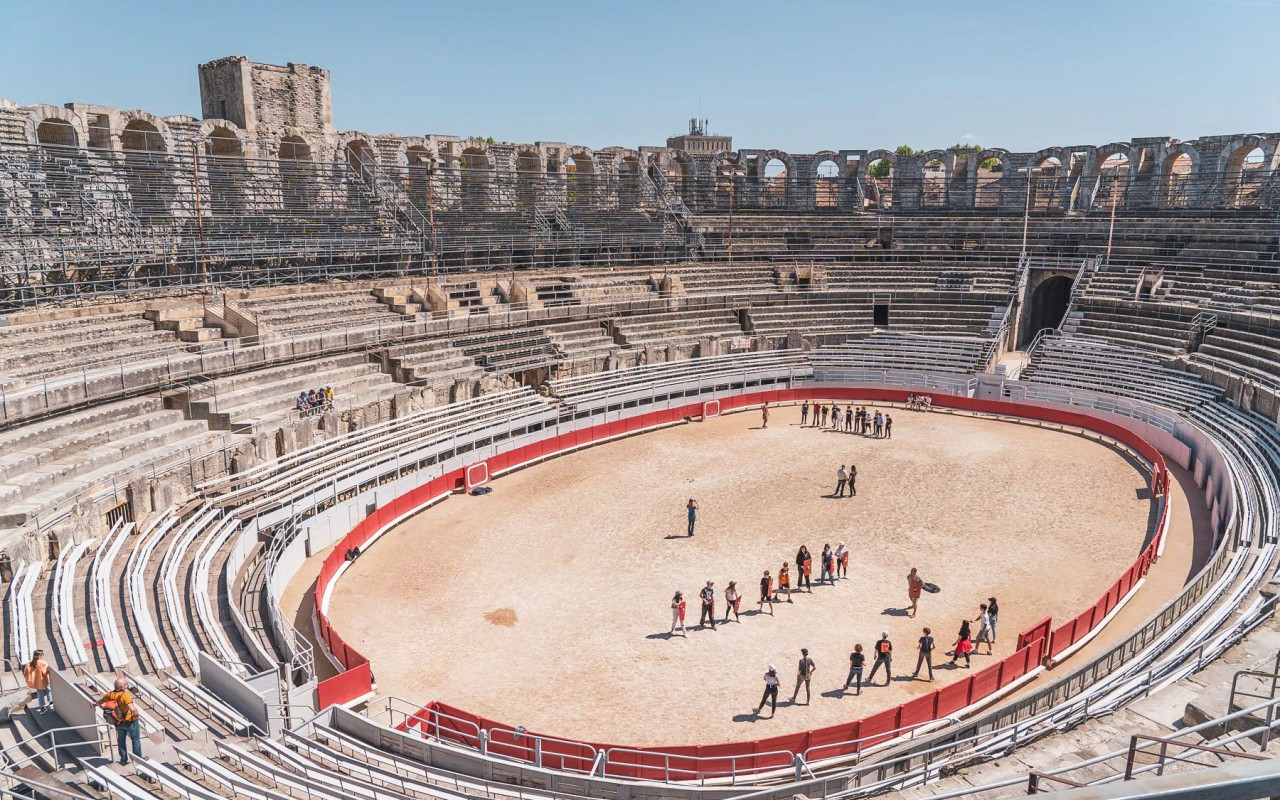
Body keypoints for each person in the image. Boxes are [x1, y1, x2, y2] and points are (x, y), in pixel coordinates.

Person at [97, 677, 142, 765]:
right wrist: (136, 715)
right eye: (125, 684)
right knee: (135, 740)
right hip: (130, 721)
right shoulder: (125, 696)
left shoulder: (109, 694)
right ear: (122, 687)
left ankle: (123, 760)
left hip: (118, 722)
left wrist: (94, 704)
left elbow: (101, 701)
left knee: (121, 741)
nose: (126, 686)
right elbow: (132, 709)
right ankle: (138, 760)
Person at [23, 650, 51, 714]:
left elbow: (25, 673)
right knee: (49, 690)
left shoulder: (29, 664)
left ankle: (42, 708)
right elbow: (45, 673)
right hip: (44, 680)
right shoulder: (43, 663)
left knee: (40, 694)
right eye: (42, 654)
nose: (43, 656)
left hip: (36, 683)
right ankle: (51, 702)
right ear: (39, 656)